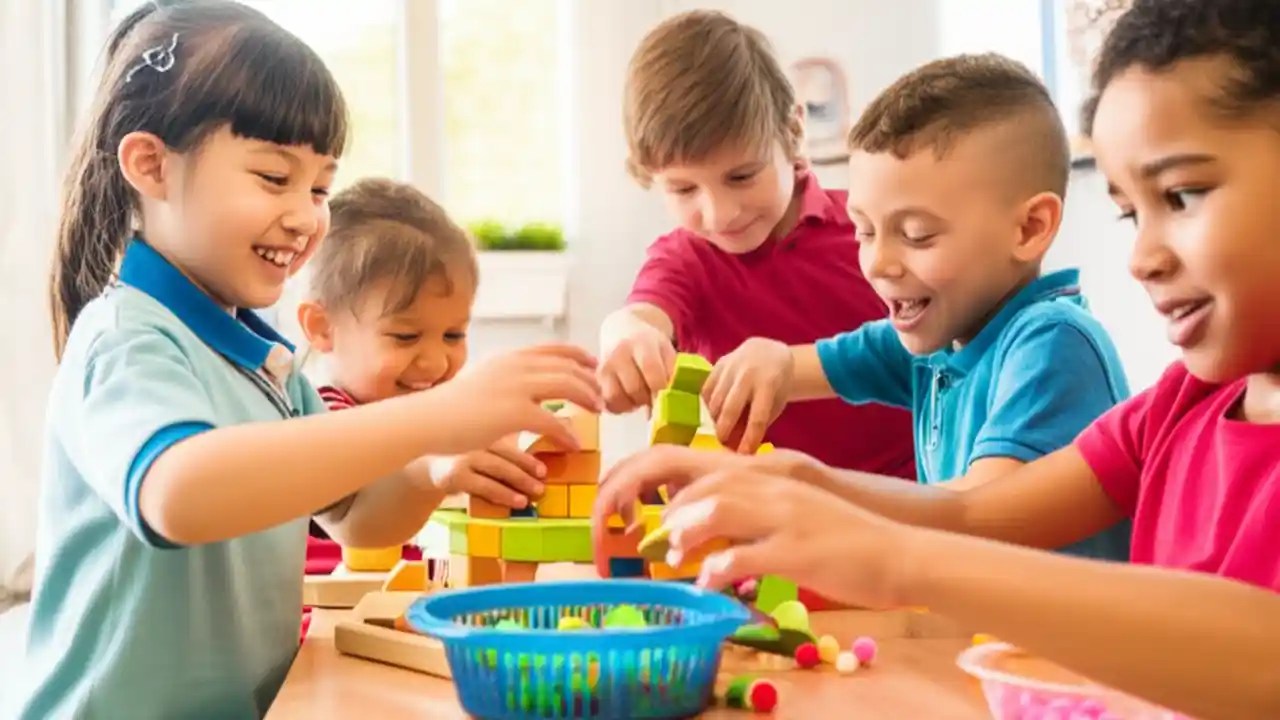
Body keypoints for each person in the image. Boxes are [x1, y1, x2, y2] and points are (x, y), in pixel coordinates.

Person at [594, 1, 1280, 717]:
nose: (1141, 259)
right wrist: (792, 479)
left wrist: (891, 555)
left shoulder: (1054, 344)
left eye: (1183, 195)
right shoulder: (1174, 410)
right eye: (1129, 213)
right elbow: (978, 514)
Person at [20, 4, 600, 718]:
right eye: (273, 177)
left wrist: (432, 466)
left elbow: (356, 520)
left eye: (320, 186)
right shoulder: (126, 338)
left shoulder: (266, 359)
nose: (305, 215)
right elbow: (179, 494)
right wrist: (434, 414)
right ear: (151, 167)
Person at [702, 53, 1131, 559]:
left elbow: (981, 513)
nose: (879, 262)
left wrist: (806, 492)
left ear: (1029, 229)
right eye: (864, 230)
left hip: (1061, 638)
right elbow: (810, 363)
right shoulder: (945, 335)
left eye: (916, 235)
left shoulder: (1052, 345)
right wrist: (768, 361)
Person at [597, 9, 914, 478]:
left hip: (902, 507)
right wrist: (626, 339)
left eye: (742, 176)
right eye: (684, 190)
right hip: (756, 522)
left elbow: (942, 353)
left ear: (793, 133)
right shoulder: (686, 260)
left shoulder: (870, 230)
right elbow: (638, 317)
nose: (720, 213)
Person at [296, 177, 548, 574]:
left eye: (454, 335)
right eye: (405, 336)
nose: (434, 362)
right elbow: (367, 502)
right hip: (336, 609)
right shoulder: (325, 418)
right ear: (324, 328)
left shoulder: (439, 413)